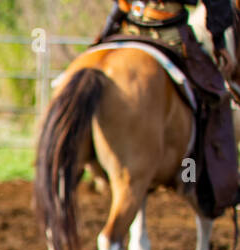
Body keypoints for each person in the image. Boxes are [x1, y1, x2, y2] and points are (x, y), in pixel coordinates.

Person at [97, 0, 240, 215]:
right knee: (214, 93)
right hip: (170, 32)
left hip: (129, 25)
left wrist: (108, 28)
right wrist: (219, 42)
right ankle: (202, 183)